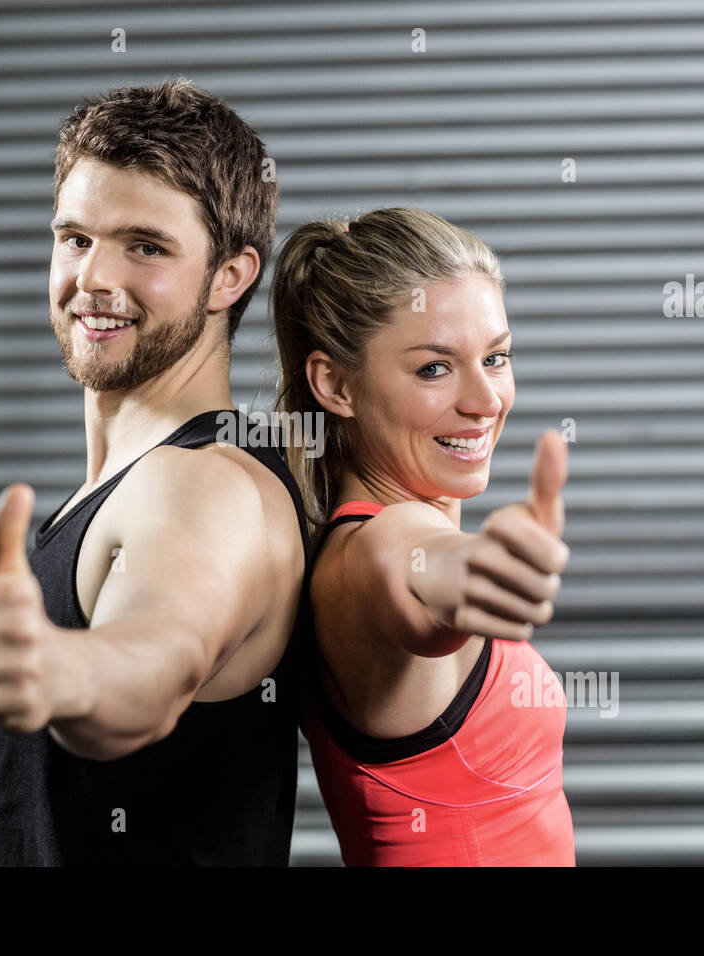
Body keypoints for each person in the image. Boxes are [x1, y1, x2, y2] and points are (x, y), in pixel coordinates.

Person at [0, 79, 311, 865]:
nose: (93, 279)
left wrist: (66, 672)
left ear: (232, 275)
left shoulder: (204, 487)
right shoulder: (119, 486)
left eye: (145, 245)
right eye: (75, 239)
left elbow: (154, 661)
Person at [271, 207, 575, 866]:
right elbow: (415, 572)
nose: (485, 399)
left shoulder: (340, 543)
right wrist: (479, 570)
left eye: (495, 357)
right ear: (335, 384)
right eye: (435, 368)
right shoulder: (368, 552)